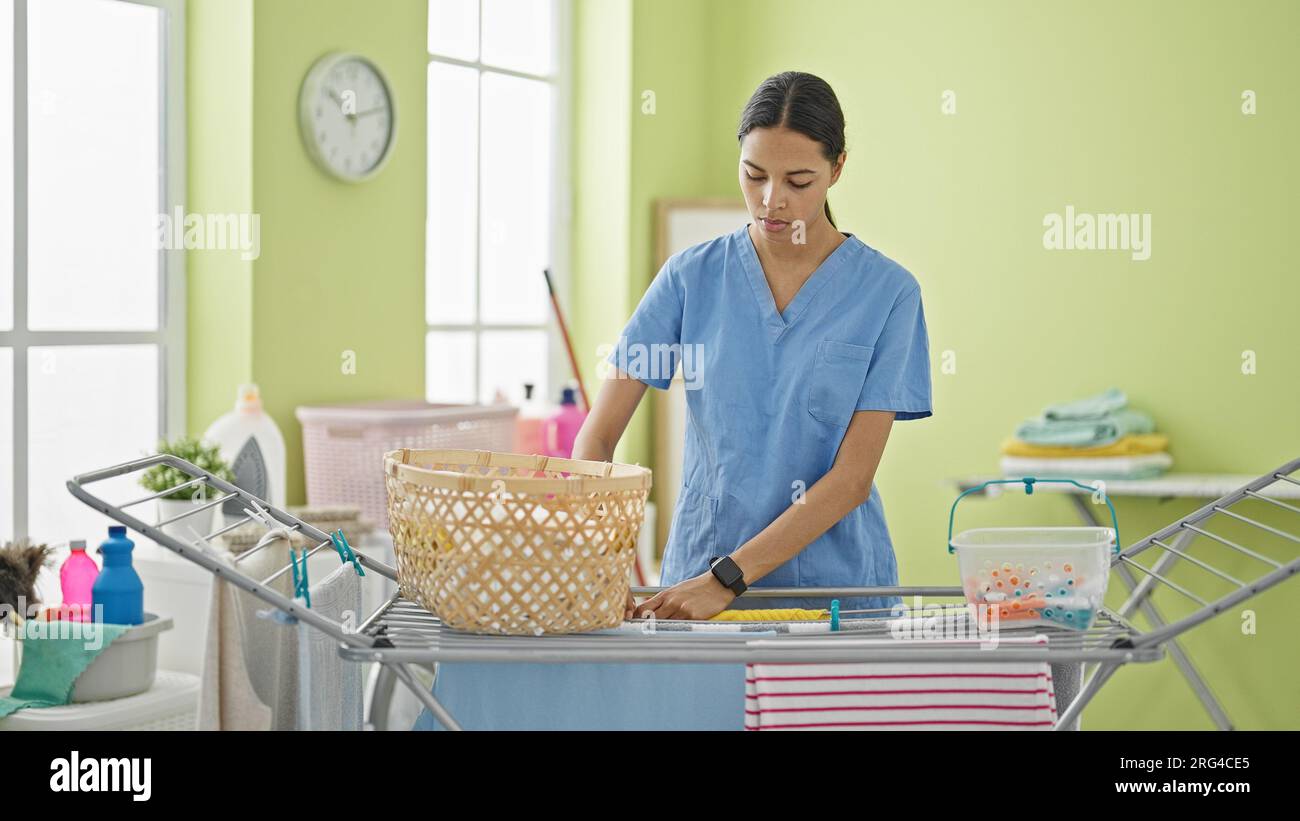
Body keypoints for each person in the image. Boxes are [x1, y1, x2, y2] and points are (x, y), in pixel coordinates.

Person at [573, 70, 933, 621]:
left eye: (798, 181)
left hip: (831, 598)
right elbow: (597, 436)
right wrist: (601, 559)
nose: (772, 201)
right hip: (694, 590)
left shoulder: (887, 294)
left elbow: (852, 481)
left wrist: (728, 579)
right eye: (754, 174)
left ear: (837, 170)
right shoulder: (690, 280)